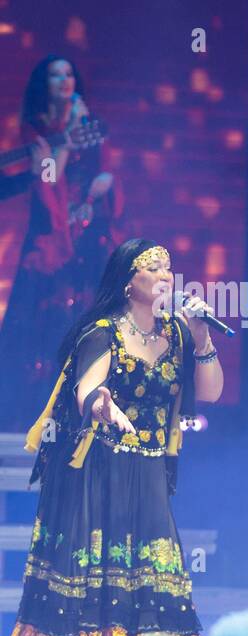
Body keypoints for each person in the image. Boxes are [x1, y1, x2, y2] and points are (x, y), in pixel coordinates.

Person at [0, 239, 222, 636]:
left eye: (169, 269)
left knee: (156, 588)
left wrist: (203, 337)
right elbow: (86, 391)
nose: (165, 276)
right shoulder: (103, 333)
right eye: (153, 268)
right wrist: (101, 404)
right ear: (128, 281)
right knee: (98, 592)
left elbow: (210, 393)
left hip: (149, 477)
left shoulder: (178, 333)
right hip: (97, 475)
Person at [0, 55, 122, 431]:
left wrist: (103, 184)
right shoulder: (33, 130)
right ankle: (25, 414)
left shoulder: (87, 127)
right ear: (44, 84)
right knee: (36, 323)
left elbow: (107, 172)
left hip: (85, 236)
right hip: (48, 238)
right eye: (55, 74)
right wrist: (64, 142)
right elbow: (48, 180)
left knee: (81, 322)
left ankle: (76, 412)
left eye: (69, 73)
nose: (64, 80)